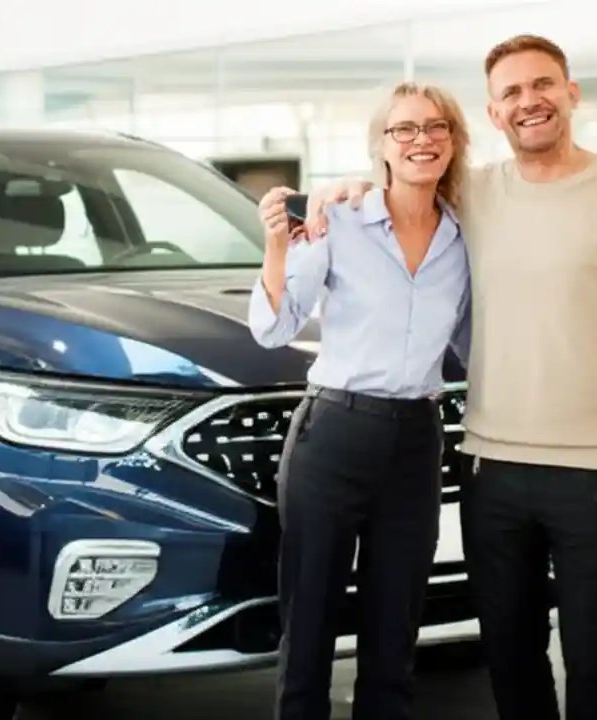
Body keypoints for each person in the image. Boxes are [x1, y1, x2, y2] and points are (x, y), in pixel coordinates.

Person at [300, 34, 597, 720]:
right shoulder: (473, 196)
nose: (528, 101)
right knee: (510, 661)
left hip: (595, 475)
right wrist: (341, 189)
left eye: (542, 85)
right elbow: (400, 184)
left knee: (596, 663)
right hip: (490, 469)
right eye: (511, 92)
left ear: (571, 93)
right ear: (492, 113)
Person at [248, 81, 473, 720]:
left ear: (453, 141)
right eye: (404, 129)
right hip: (334, 436)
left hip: (417, 441)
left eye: (435, 126)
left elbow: (475, 346)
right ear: (382, 145)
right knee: (310, 625)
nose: (421, 140)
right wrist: (277, 244)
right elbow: (274, 328)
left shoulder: (464, 239)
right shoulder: (337, 221)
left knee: (395, 631)